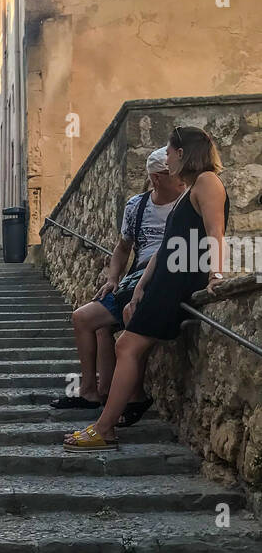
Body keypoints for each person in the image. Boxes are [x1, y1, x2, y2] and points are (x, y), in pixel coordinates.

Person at [64, 126, 229, 452]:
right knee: (127, 344)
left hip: (179, 280)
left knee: (127, 345)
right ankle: (108, 424)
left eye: (169, 152)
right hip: (163, 280)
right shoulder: (192, 187)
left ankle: (105, 428)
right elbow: (167, 245)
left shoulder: (208, 182)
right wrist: (140, 285)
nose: (167, 160)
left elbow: (215, 232)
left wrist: (217, 275)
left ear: (181, 153)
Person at [50, 147, 185, 421]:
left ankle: (126, 396)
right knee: (86, 320)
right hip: (135, 278)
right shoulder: (137, 206)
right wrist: (113, 278)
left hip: (165, 278)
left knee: (117, 325)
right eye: (174, 173)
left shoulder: (187, 203)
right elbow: (123, 247)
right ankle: (94, 391)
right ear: (158, 178)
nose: (182, 178)